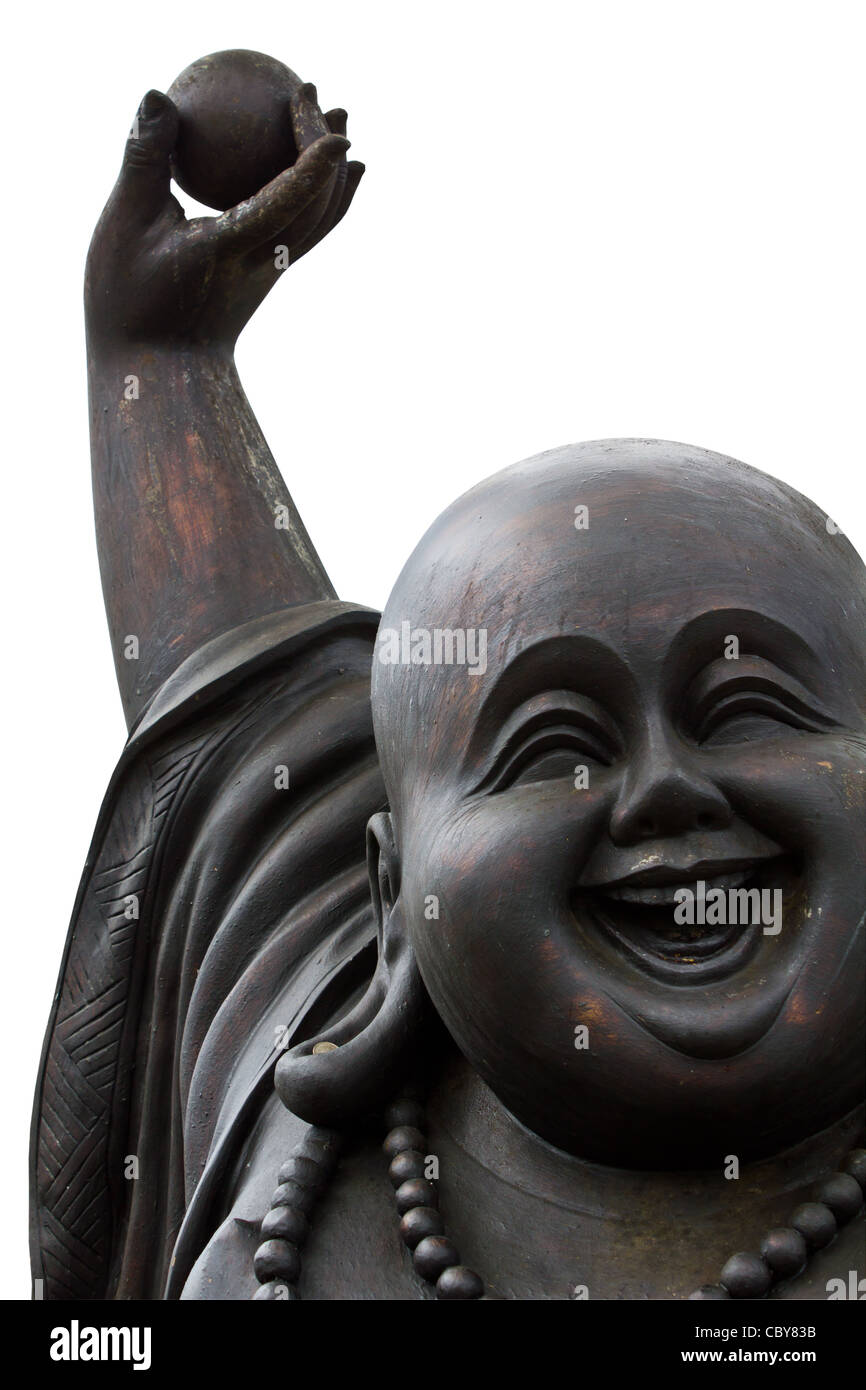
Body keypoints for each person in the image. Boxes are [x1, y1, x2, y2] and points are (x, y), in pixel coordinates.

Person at [31, 68, 865, 1302]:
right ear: (386, 899)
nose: (667, 792)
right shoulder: (314, 1177)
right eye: (548, 744)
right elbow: (240, 719)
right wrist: (160, 360)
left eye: (747, 706)